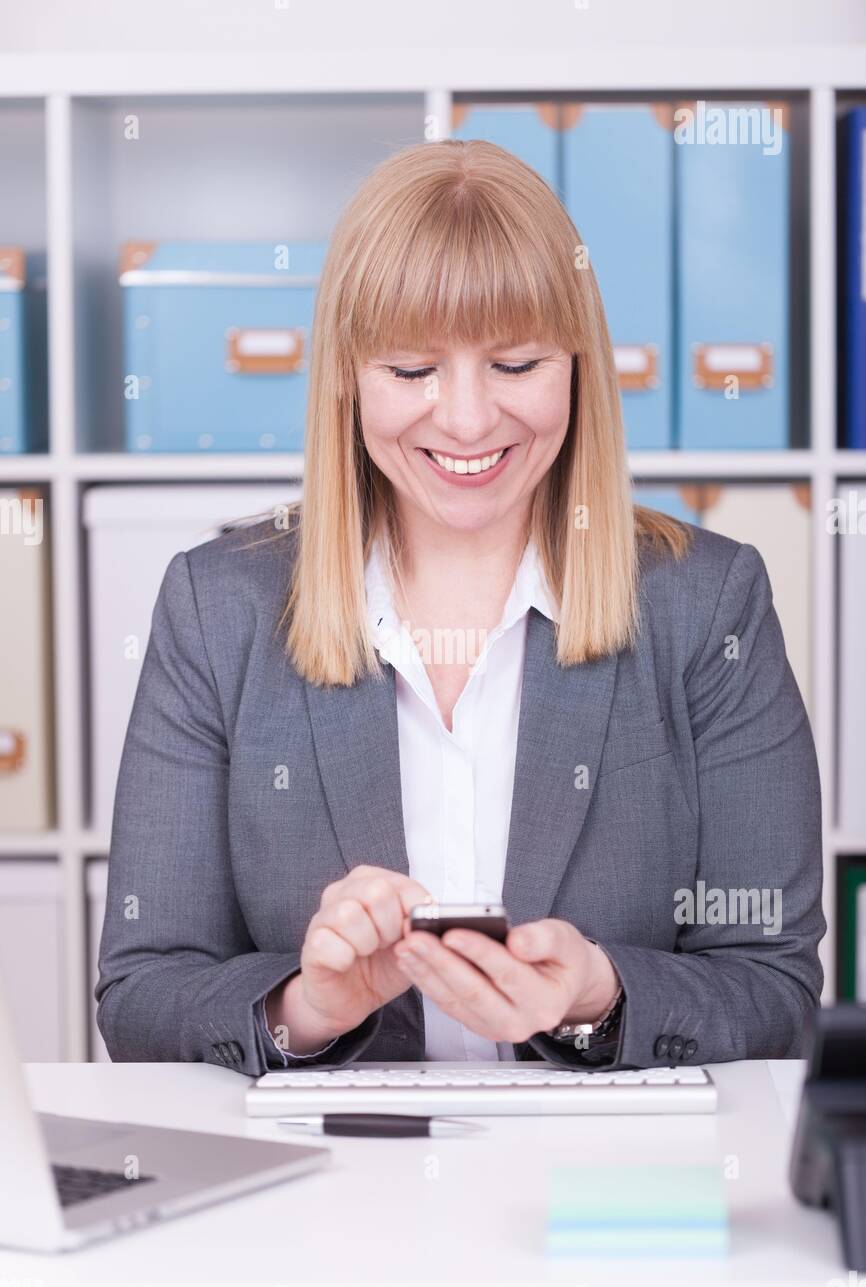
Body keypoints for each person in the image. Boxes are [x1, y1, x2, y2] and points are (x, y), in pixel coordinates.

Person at [96, 139, 824, 1075]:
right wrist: (305, 1008)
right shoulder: (217, 606)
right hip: (327, 1195)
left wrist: (599, 995)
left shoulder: (707, 603)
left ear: (578, 365)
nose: (470, 420)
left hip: (598, 1190)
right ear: (349, 377)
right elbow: (143, 991)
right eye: (411, 371)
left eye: (517, 365)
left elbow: (775, 990)